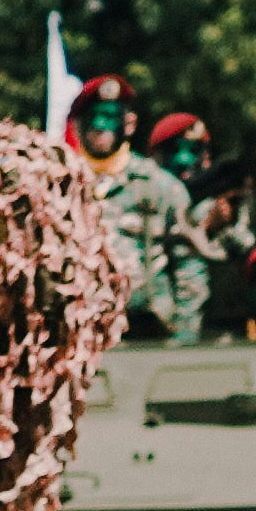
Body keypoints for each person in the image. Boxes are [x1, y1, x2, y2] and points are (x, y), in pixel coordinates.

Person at [68, 78, 205, 339]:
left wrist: (185, 338)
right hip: (79, 335)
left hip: (151, 334)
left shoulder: (159, 186)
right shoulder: (61, 185)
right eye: (92, 117)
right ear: (76, 126)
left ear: (129, 124)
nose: (99, 126)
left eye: (109, 117)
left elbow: (189, 265)